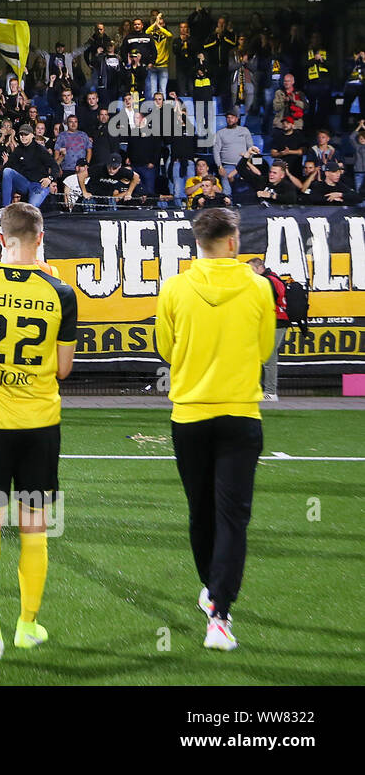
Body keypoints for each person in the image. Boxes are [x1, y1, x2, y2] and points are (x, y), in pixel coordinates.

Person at [0, 202, 77, 660]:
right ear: (41, 238)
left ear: (2, 239)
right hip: (40, 423)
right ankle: (27, 624)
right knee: (34, 527)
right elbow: (64, 369)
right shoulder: (60, 292)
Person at [156, 208, 274, 651]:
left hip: (189, 415)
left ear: (198, 243)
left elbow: (166, 348)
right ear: (233, 240)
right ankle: (220, 612)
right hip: (240, 414)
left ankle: (213, 593)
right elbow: (264, 349)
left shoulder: (174, 288)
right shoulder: (258, 286)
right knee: (232, 519)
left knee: (200, 512)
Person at [247, 258, 289, 401]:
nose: (250, 274)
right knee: (261, 356)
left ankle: (271, 392)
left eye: (252, 270)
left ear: (260, 268)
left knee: (269, 356)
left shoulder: (268, 281)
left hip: (277, 321)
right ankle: (261, 390)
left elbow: (265, 302)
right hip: (273, 321)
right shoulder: (270, 279)